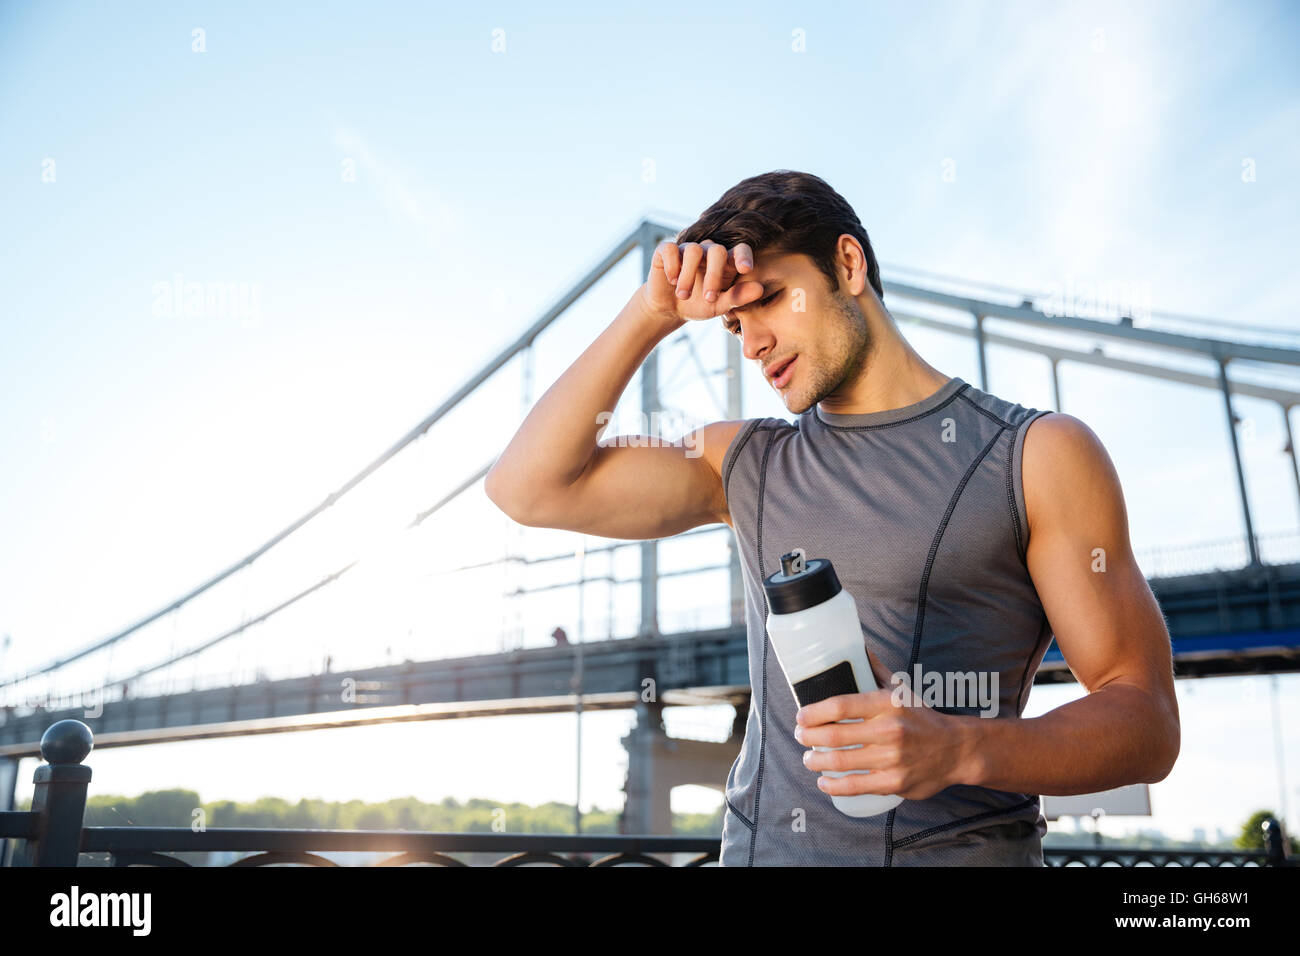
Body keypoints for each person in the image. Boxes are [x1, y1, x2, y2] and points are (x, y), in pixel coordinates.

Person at [484, 170, 1179, 866]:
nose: (752, 345)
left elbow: (1146, 720)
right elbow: (528, 489)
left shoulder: (1037, 455)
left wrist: (960, 748)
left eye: (772, 300)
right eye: (733, 325)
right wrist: (651, 313)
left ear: (848, 265)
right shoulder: (741, 462)